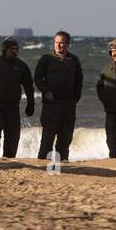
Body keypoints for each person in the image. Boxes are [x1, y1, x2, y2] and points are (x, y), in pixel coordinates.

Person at [34, 30, 83, 162]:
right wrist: (46, 91)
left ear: (67, 44)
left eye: (62, 43)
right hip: (51, 105)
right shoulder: (46, 59)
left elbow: (79, 80)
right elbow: (38, 78)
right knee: (47, 140)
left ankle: (62, 166)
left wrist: (75, 98)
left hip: (68, 106)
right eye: (56, 43)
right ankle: (43, 166)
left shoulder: (74, 60)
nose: (59, 46)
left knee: (65, 140)